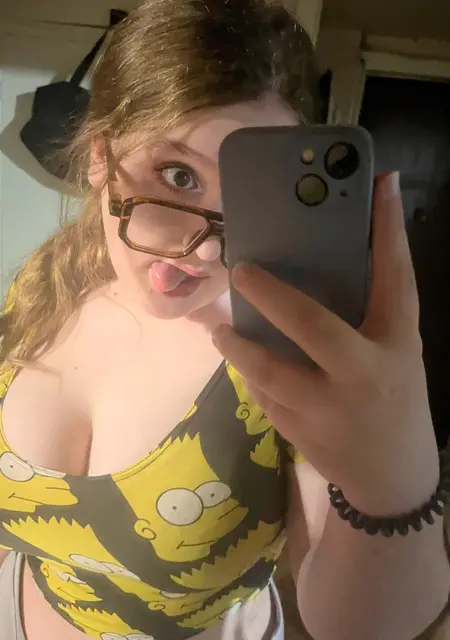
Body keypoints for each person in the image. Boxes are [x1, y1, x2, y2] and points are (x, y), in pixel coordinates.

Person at [0, 1, 448, 639]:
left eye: (247, 197)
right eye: (178, 175)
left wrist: (394, 488)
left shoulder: (285, 356)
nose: (208, 252)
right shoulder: (50, 278)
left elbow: (356, 627)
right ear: (100, 158)